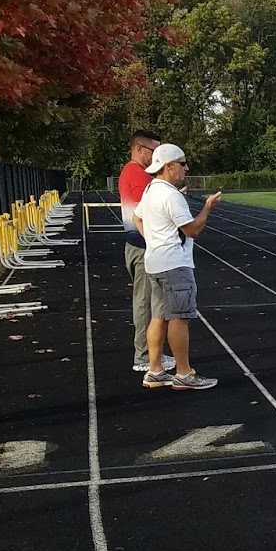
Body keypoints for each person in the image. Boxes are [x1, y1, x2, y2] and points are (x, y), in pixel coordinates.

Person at [134, 143, 221, 390]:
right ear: (169, 166)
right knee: (179, 318)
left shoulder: (151, 189)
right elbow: (192, 230)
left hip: (155, 261)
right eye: (182, 163)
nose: (186, 168)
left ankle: (155, 370)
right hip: (174, 263)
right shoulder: (171, 195)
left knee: (159, 316)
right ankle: (184, 373)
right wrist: (207, 208)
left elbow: (137, 217)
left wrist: (151, 240)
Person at [118, 129, 174, 373]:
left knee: (151, 303)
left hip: (139, 245)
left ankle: (151, 353)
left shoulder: (135, 173)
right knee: (145, 303)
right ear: (139, 149)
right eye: (154, 151)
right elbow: (146, 212)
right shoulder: (137, 174)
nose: (157, 156)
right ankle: (144, 356)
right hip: (142, 247)